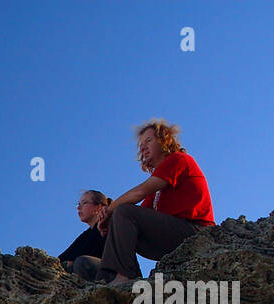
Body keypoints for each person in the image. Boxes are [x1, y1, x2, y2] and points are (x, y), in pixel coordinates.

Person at [90, 119, 215, 286]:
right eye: (141, 144)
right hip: (174, 239)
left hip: (196, 234)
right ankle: (109, 277)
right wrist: (112, 224)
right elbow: (135, 220)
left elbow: (138, 194)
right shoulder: (158, 189)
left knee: (123, 211)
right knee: (120, 219)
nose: (142, 147)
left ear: (165, 141)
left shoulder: (178, 159)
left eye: (148, 141)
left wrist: (110, 209)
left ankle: (125, 276)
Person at [59, 190, 109, 275]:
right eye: (78, 205)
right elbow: (62, 258)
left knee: (82, 263)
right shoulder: (86, 235)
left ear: (99, 207)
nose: (78, 208)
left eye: (84, 203)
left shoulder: (108, 226)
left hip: (113, 274)